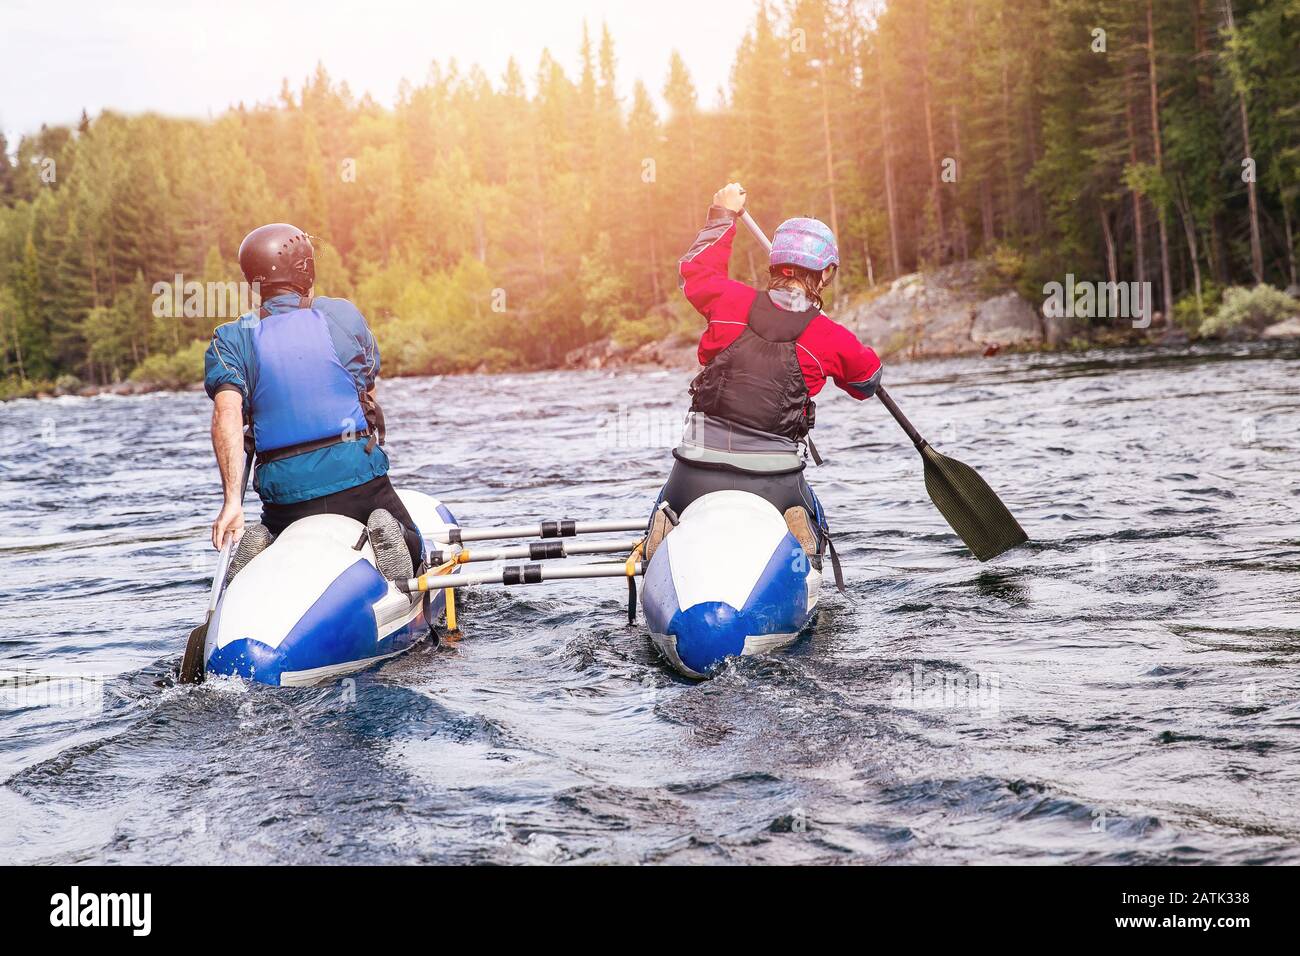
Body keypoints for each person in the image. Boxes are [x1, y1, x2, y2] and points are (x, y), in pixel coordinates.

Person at [647, 183, 884, 582]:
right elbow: (867, 381)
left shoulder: (726, 300)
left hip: (694, 472)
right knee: (814, 515)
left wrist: (721, 215)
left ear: (775, 265)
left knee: (664, 506)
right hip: (775, 482)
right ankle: (803, 541)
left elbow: (695, 271)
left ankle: (665, 527)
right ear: (825, 274)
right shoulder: (830, 337)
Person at [204, 223, 422, 583]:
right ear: (305, 269)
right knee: (415, 545)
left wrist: (232, 503)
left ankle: (269, 539)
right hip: (358, 483)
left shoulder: (230, 337)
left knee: (276, 524)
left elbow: (225, 413)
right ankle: (391, 532)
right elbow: (366, 390)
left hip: (285, 499)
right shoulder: (342, 315)